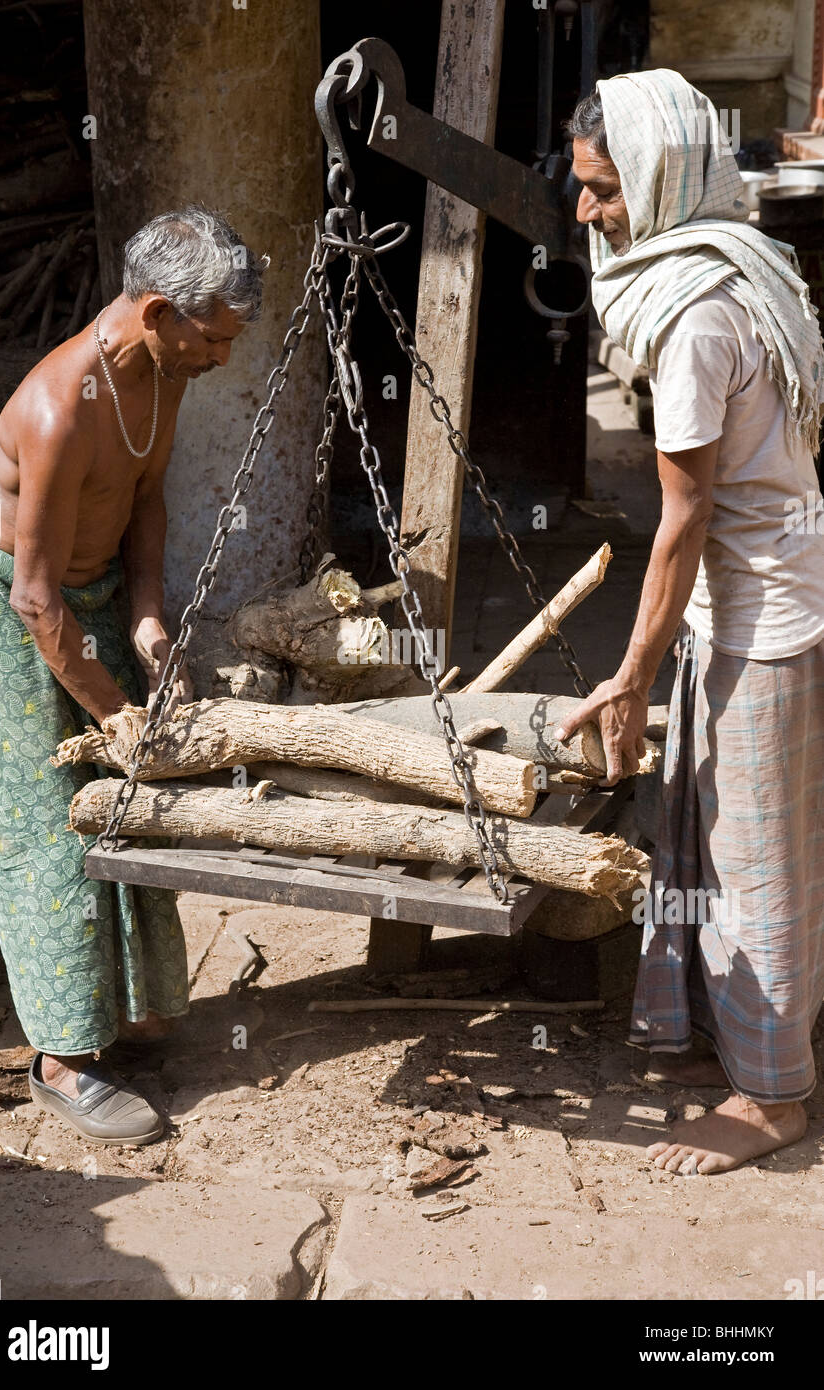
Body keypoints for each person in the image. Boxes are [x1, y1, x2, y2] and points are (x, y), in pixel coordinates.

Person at [556, 70, 824, 1174]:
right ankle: (724, 1031)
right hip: (758, 594)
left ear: (662, 179)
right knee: (713, 832)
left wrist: (627, 672)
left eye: (604, 190)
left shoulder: (690, 322)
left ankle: (772, 1098)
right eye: (578, 188)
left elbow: (678, 520)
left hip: (764, 614)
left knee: (755, 853)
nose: (585, 213)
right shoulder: (730, 262)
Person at [0, 205, 266, 1144]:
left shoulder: (164, 374)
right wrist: (112, 707)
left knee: (131, 810)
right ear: (162, 311)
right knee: (49, 832)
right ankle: (63, 1060)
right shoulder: (57, 405)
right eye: (213, 337)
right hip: (13, 611)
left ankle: (121, 1015)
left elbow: (147, 497)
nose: (222, 357)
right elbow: (34, 599)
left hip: (84, 604)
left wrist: (144, 612)